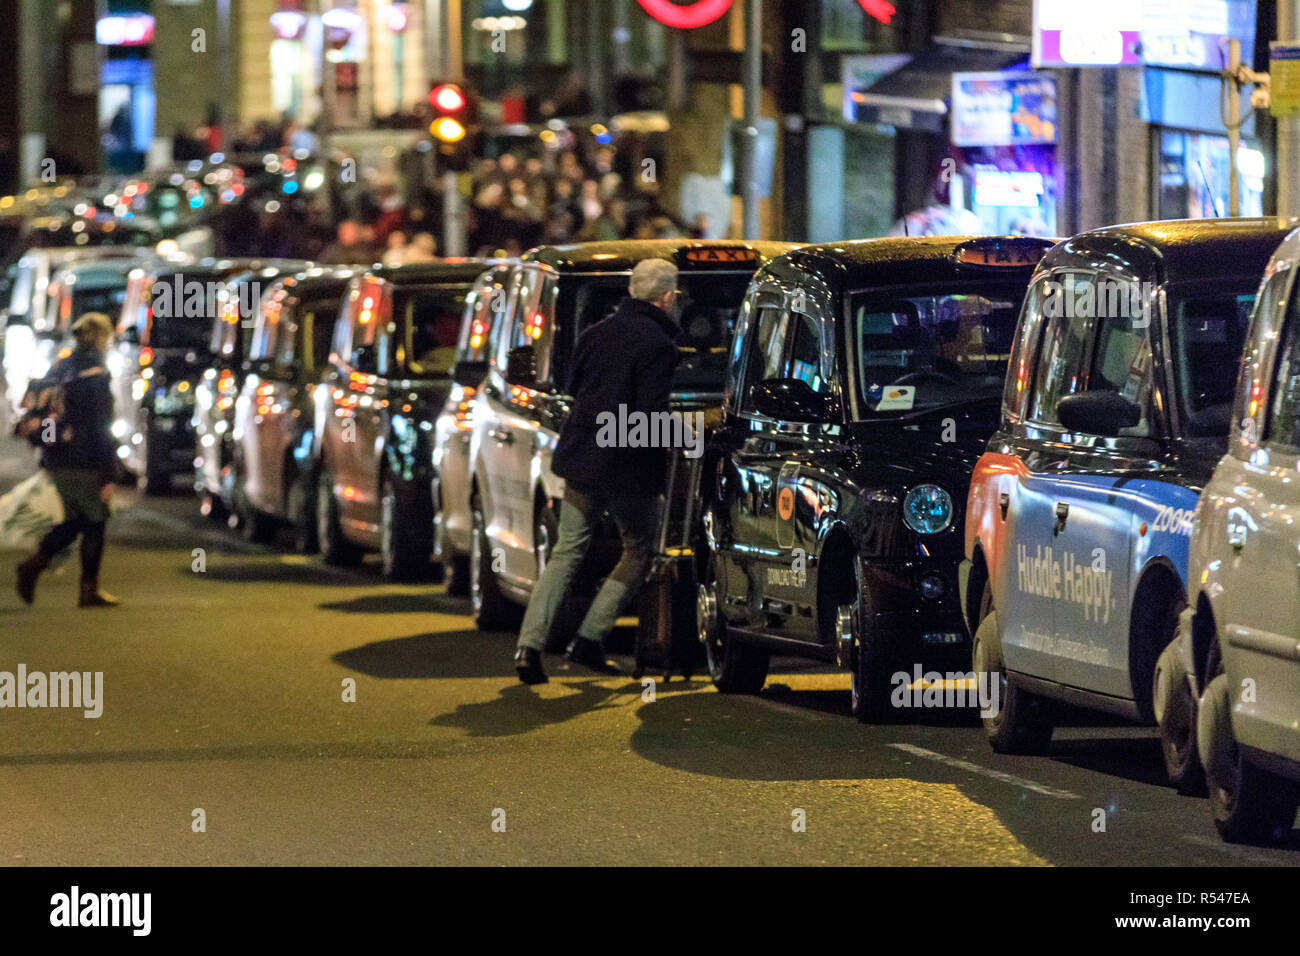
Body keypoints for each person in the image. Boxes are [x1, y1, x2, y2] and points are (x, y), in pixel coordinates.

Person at [514, 259, 682, 684]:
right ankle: (589, 638)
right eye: (675, 295)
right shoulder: (659, 344)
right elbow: (648, 416)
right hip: (626, 468)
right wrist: (692, 431)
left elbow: (574, 392)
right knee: (640, 548)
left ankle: (529, 647)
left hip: (582, 460)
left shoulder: (593, 334)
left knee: (567, 551)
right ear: (666, 298)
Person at [15, 313, 120, 608]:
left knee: (78, 521)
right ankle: (82, 587)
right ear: (100, 338)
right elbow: (100, 426)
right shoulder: (97, 374)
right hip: (85, 460)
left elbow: (48, 417)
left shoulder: (60, 367)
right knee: (94, 523)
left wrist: (48, 454)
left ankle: (36, 566)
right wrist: (109, 469)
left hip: (58, 456)